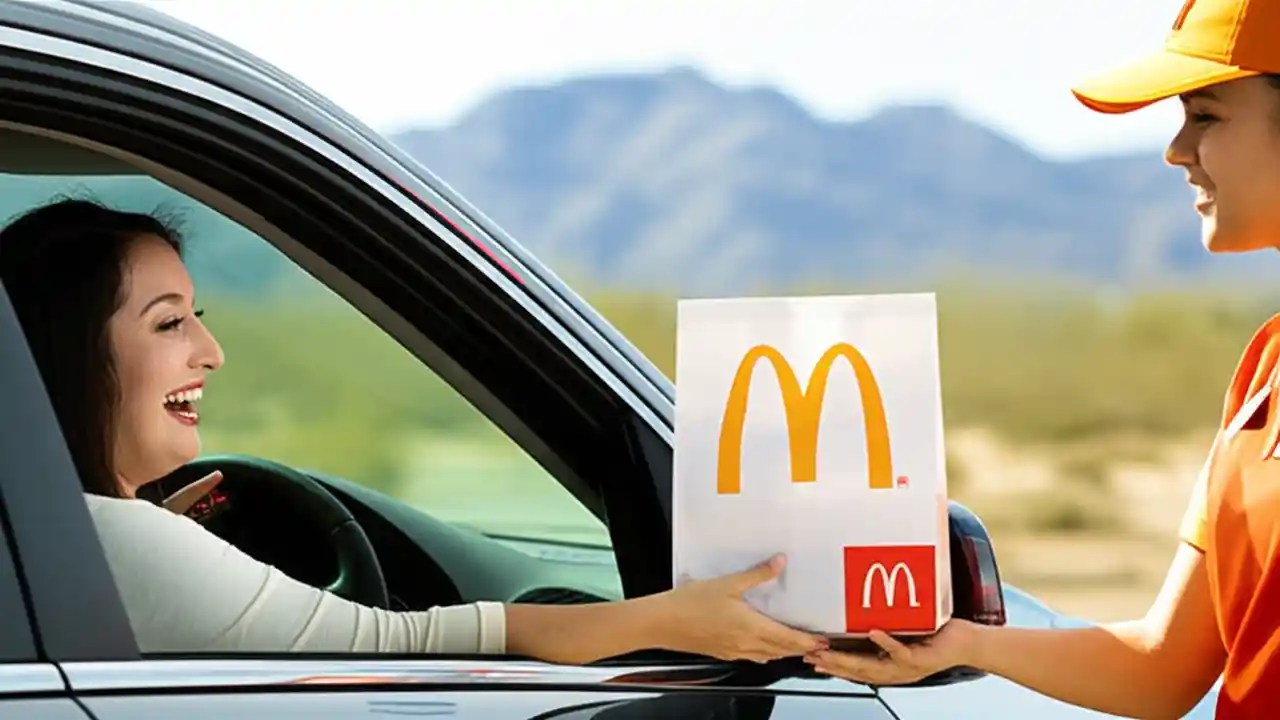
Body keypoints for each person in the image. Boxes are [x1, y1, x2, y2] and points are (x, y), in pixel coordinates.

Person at [0, 197, 829, 664]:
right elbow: (408, 646)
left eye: (199, 319)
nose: (211, 354)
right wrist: (667, 620)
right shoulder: (121, 544)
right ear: (70, 355)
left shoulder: (63, 551)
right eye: (169, 323)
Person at [801, 1, 1280, 718]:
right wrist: (962, 644)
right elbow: (1162, 668)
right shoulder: (1262, 373)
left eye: (1205, 117)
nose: (1176, 150)